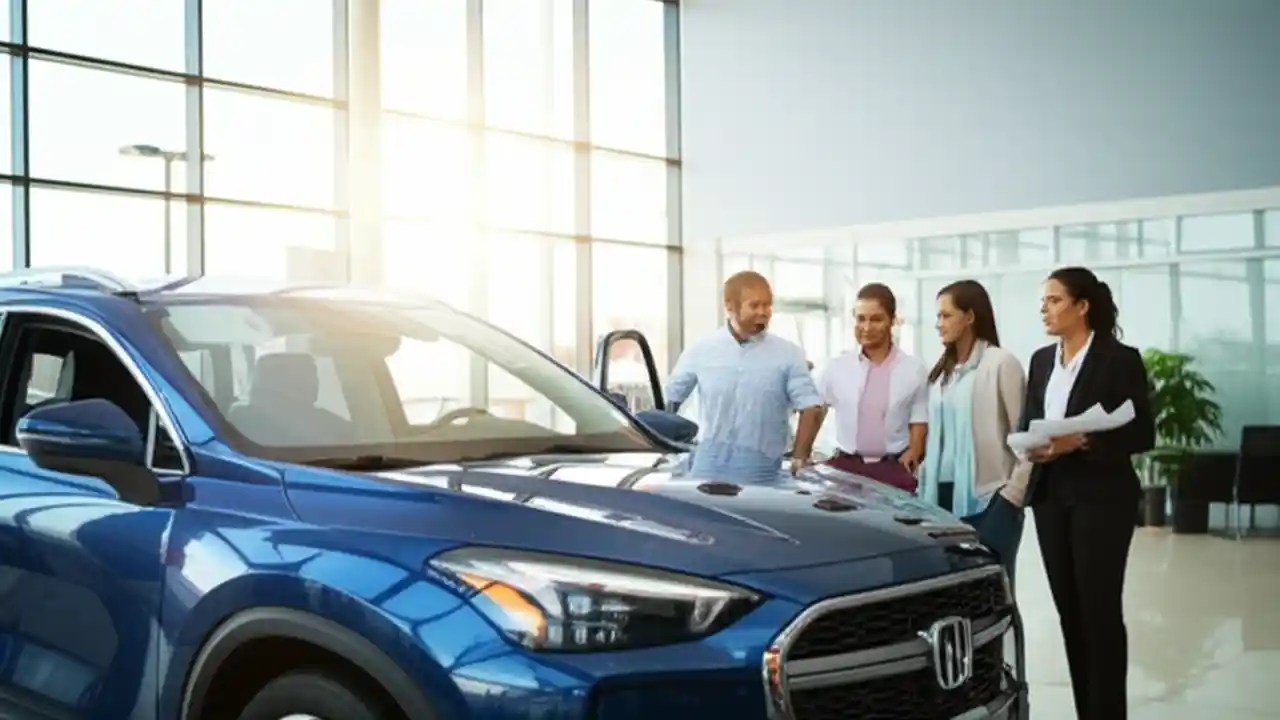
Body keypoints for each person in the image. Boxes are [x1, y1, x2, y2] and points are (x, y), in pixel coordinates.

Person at [1020, 266, 1155, 720]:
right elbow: (1030, 421)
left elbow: (1142, 433)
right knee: (1070, 616)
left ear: (1083, 306)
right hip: (1050, 497)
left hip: (1101, 497)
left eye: (1055, 301)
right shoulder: (1041, 360)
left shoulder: (1119, 359)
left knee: (1099, 613)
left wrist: (1080, 440)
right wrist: (1033, 444)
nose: (1045, 309)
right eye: (1043, 302)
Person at [917, 280, 1030, 585]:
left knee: (994, 591)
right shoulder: (943, 373)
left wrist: (1011, 497)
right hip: (940, 502)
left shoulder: (1001, 363)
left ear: (969, 317)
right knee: (952, 593)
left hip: (990, 500)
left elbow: (1026, 436)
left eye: (946, 315)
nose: (939, 324)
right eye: (937, 317)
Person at [665, 271, 823, 482]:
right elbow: (671, 396)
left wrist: (799, 457)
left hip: (762, 472)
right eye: (755, 305)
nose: (763, 312)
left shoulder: (788, 354)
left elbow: (810, 407)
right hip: (706, 468)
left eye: (767, 306)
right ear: (730, 306)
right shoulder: (701, 350)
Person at [795, 283, 927, 492]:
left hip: (892, 471)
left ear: (892, 321)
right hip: (845, 470)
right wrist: (801, 456)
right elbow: (815, 411)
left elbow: (919, 419)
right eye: (861, 319)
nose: (866, 327)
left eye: (876, 319)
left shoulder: (914, 369)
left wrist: (914, 452)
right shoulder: (835, 366)